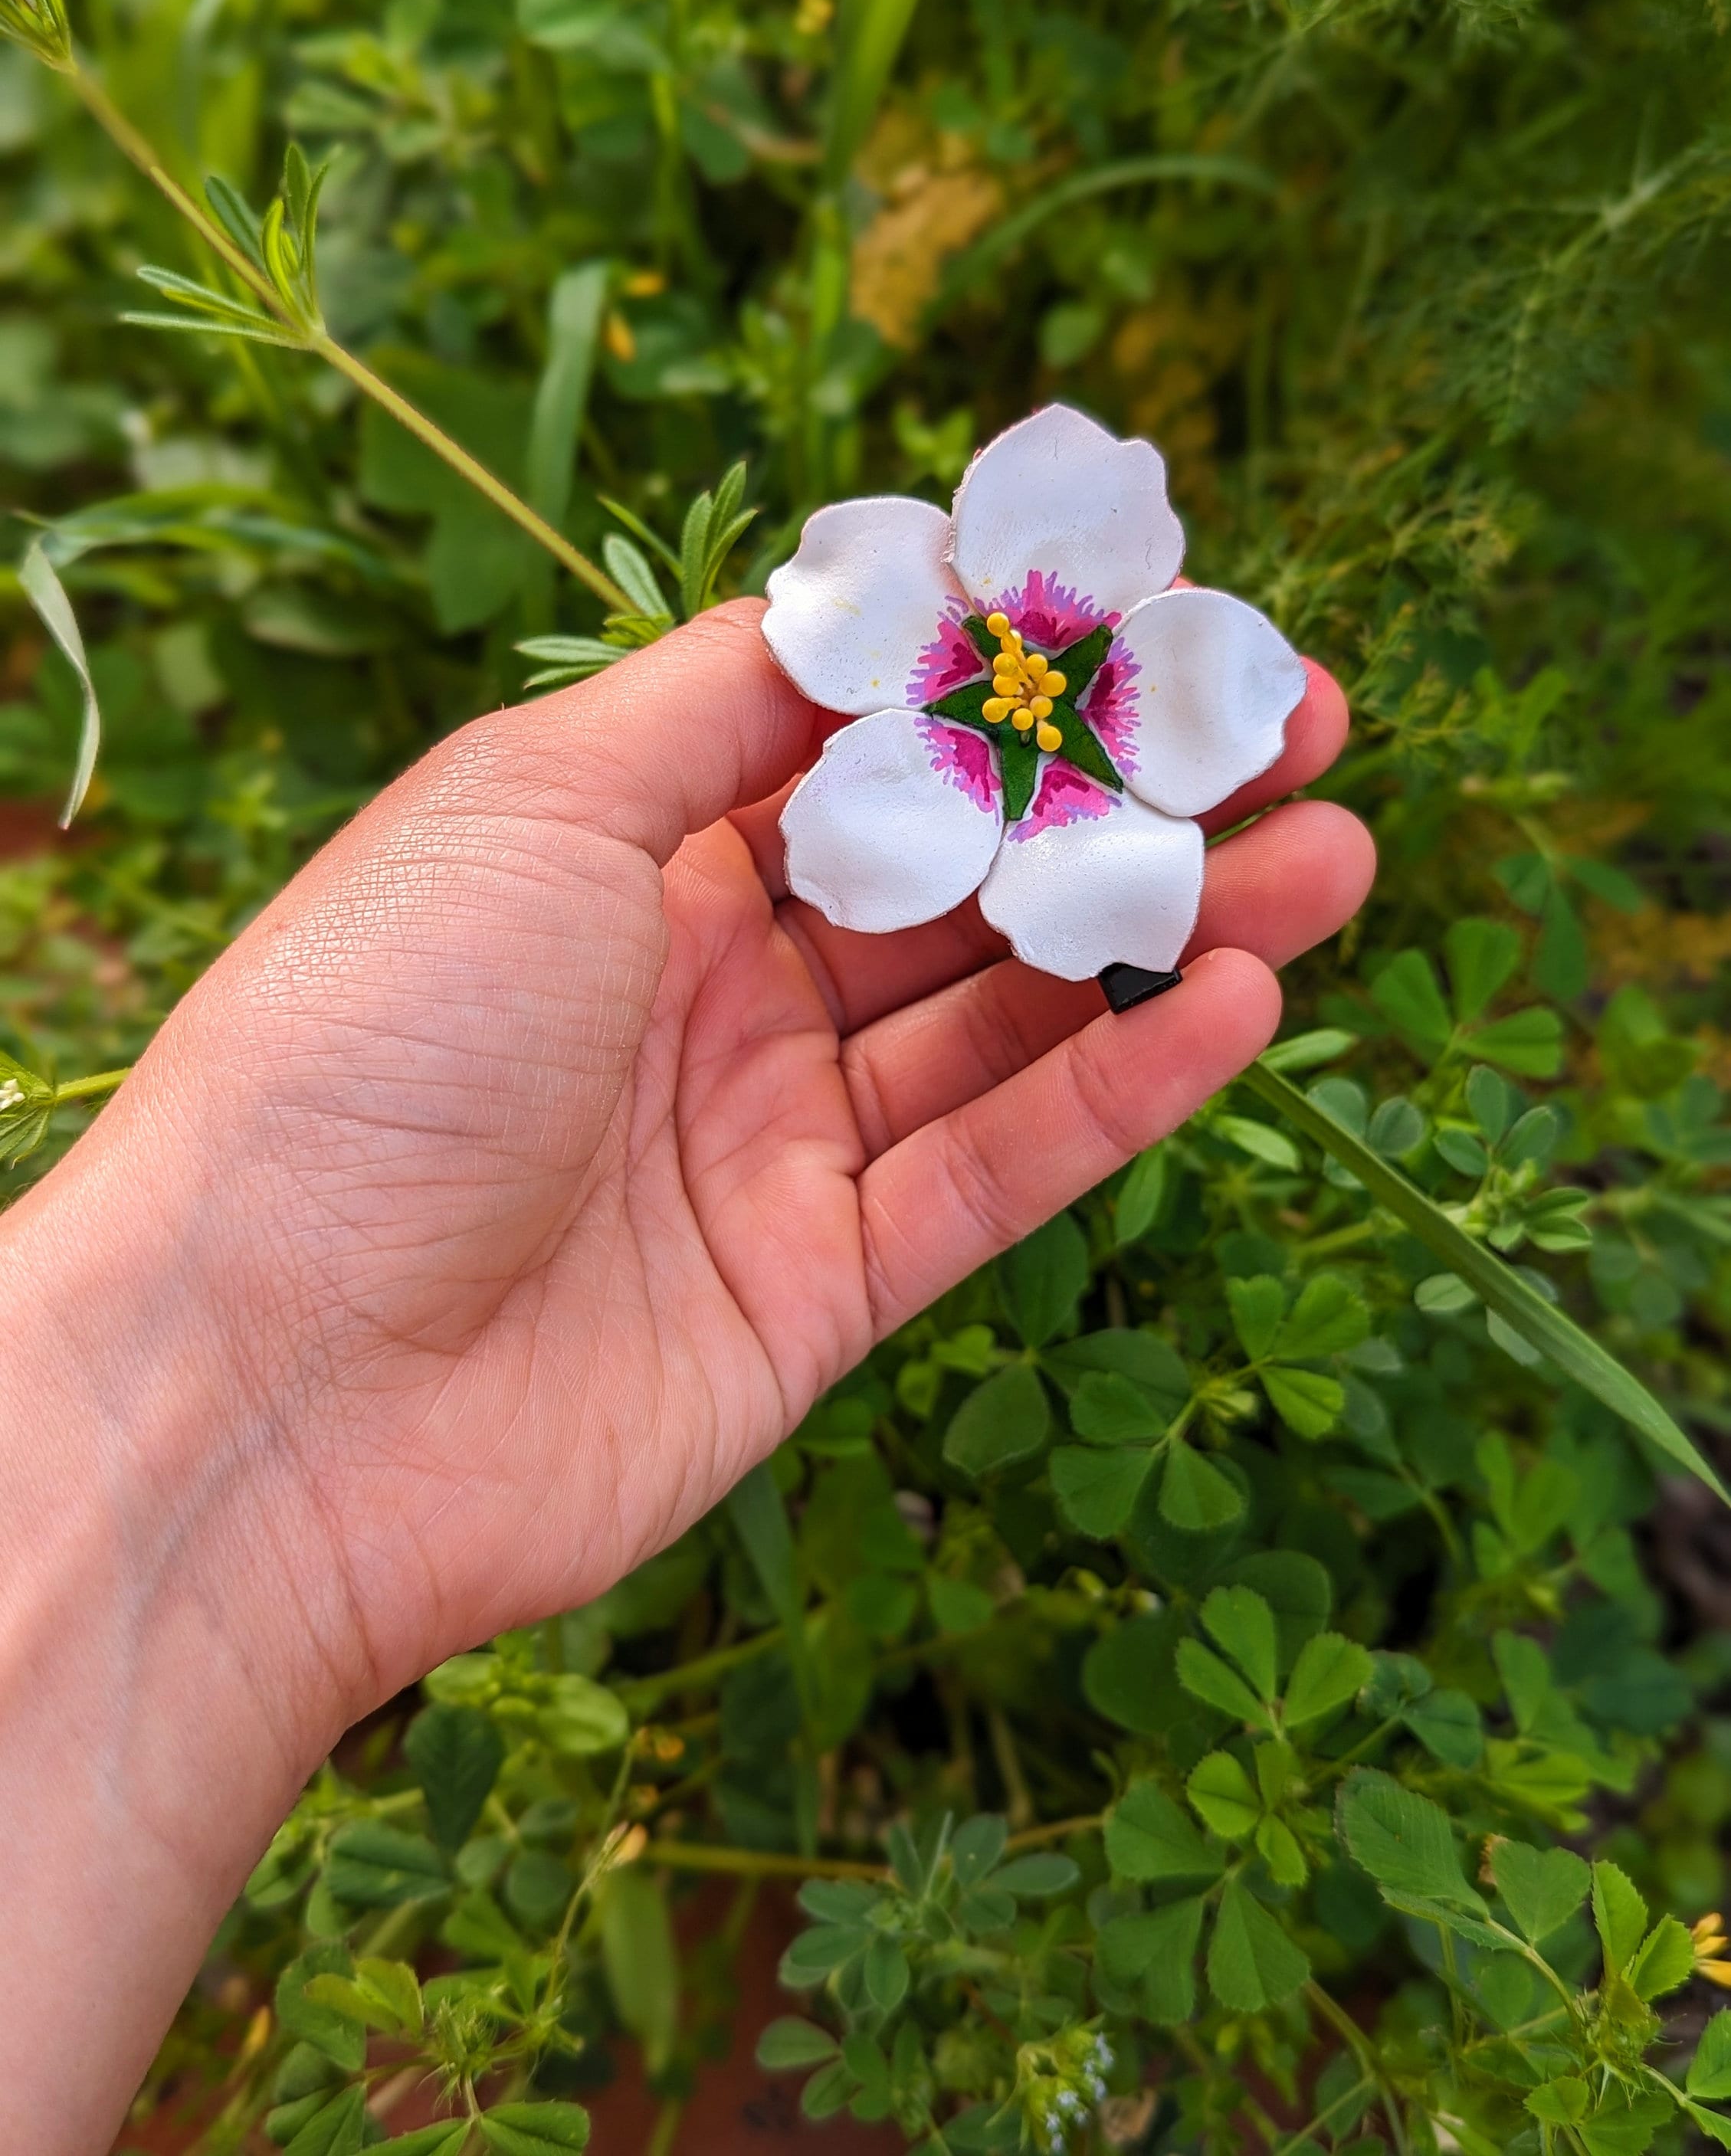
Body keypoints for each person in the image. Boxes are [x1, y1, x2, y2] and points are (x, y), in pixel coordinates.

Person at [0, 597, 1374, 2150]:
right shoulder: (925, 670)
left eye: (1034, 687)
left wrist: (168, 1388)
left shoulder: (1054, 747)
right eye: (1012, 680)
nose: (1025, 696)